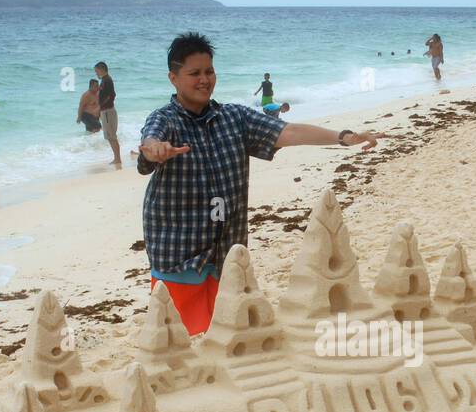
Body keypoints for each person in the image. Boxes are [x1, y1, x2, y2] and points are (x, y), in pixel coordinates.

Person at [137, 32, 383, 335]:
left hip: (227, 252)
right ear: (173, 77)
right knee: (178, 344)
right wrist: (155, 149)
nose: (204, 80)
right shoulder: (166, 120)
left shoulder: (234, 117)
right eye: (194, 73)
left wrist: (343, 137)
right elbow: (150, 140)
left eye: (209, 71)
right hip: (179, 252)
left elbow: (289, 132)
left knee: (227, 339)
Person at [94, 61, 120, 168]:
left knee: (111, 136)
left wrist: (100, 107)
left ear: (101, 69)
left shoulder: (107, 80)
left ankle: (117, 158)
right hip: (106, 111)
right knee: (110, 136)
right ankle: (117, 158)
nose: (96, 73)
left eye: (96, 71)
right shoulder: (105, 80)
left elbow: (111, 95)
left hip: (108, 111)